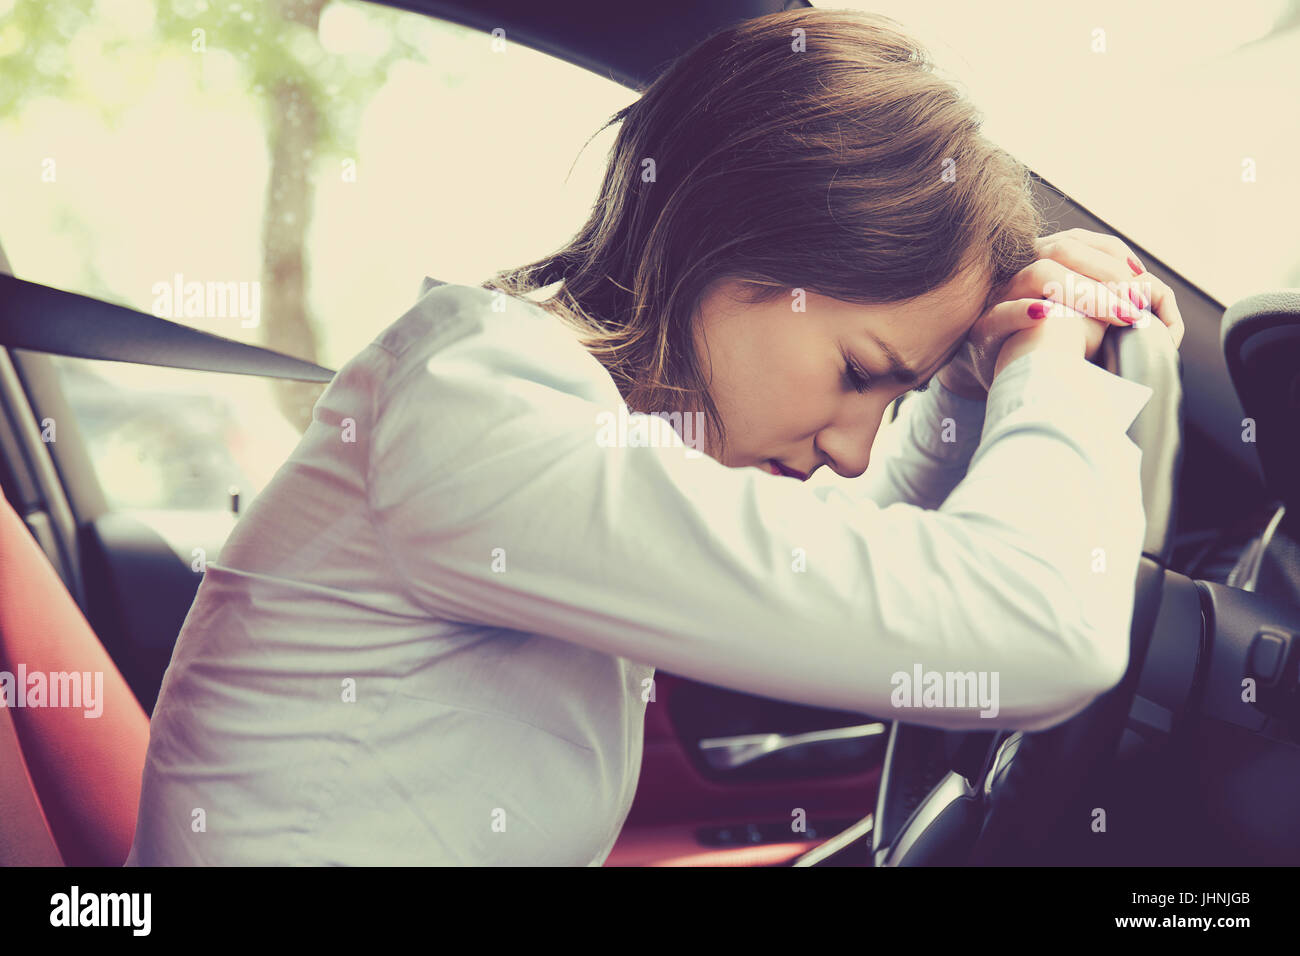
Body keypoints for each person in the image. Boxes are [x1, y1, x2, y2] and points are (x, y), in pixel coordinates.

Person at [125, 8, 1184, 867]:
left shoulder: (565, 421)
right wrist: (1049, 361)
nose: (856, 448)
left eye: (890, 396)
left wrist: (964, 383)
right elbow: (1043, 631)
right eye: (860, 373)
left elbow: (849, 551)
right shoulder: (477, 407)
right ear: (729, 241)